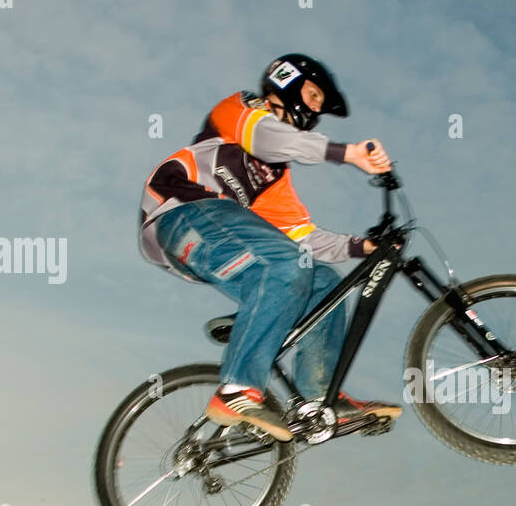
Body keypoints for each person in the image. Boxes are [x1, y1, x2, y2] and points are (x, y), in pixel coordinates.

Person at [138, 53, 403, 441]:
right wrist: (348, 153)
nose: (315, 108)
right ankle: (236, 391)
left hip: (216, 244)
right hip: (182, 212)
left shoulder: (272, 177)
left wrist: (366, 247)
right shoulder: (242, 109)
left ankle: (318, 398)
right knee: (285, 266)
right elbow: (268, 137)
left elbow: (302, 236)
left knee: (324, 280)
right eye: (313, 96)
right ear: (287, 82)